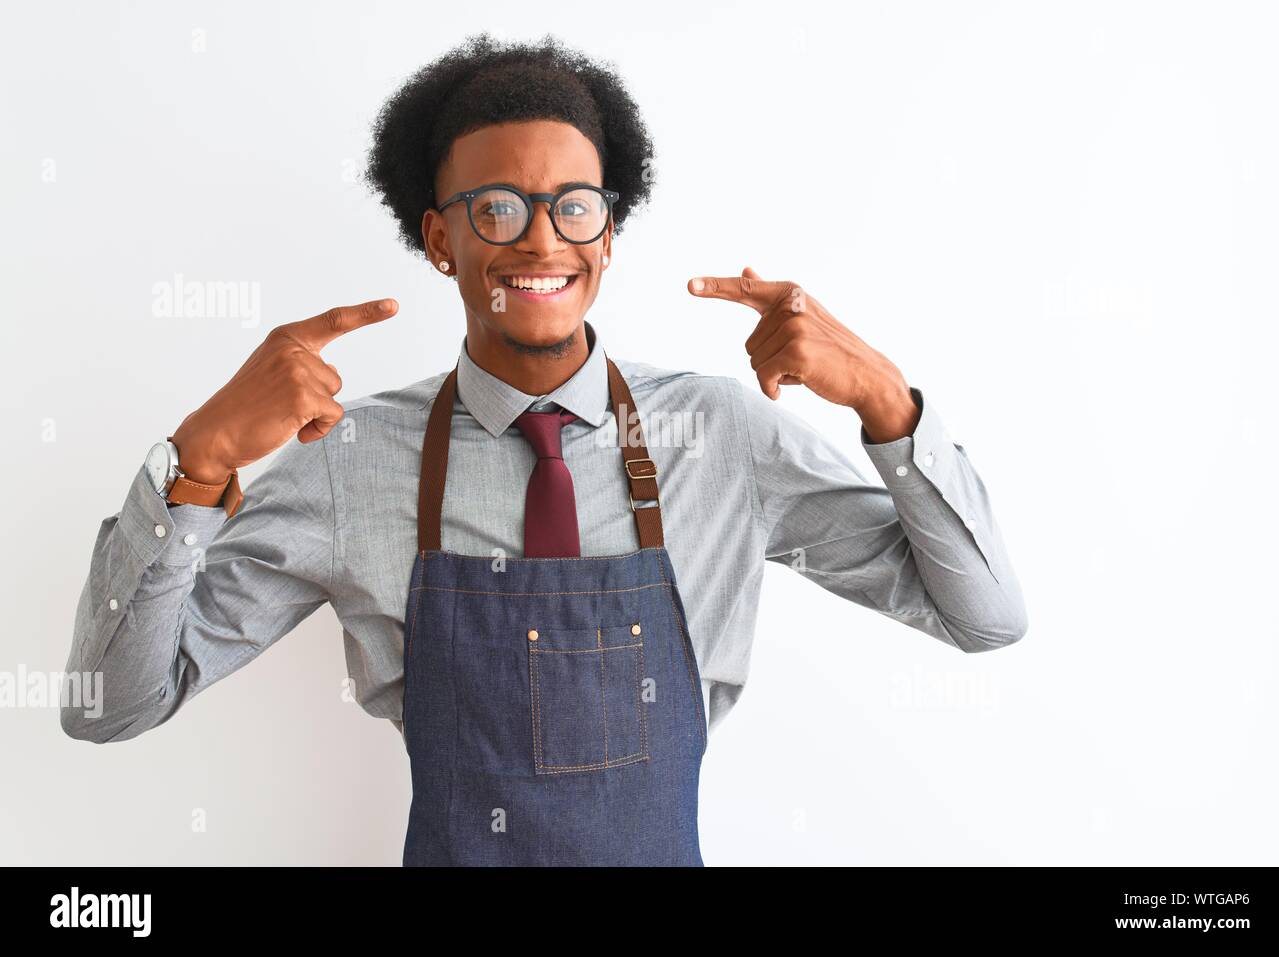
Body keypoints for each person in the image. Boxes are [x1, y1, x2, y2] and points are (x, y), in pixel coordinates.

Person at [61, 32, 1028, 866]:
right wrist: (195, 465)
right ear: (440, 239)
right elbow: (111, 706)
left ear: (608, 234)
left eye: (574, 205)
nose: (540, 241)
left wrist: (887, 402)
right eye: (497, 209)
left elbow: (984, 617)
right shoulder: (347, 460)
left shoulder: (722, 435)